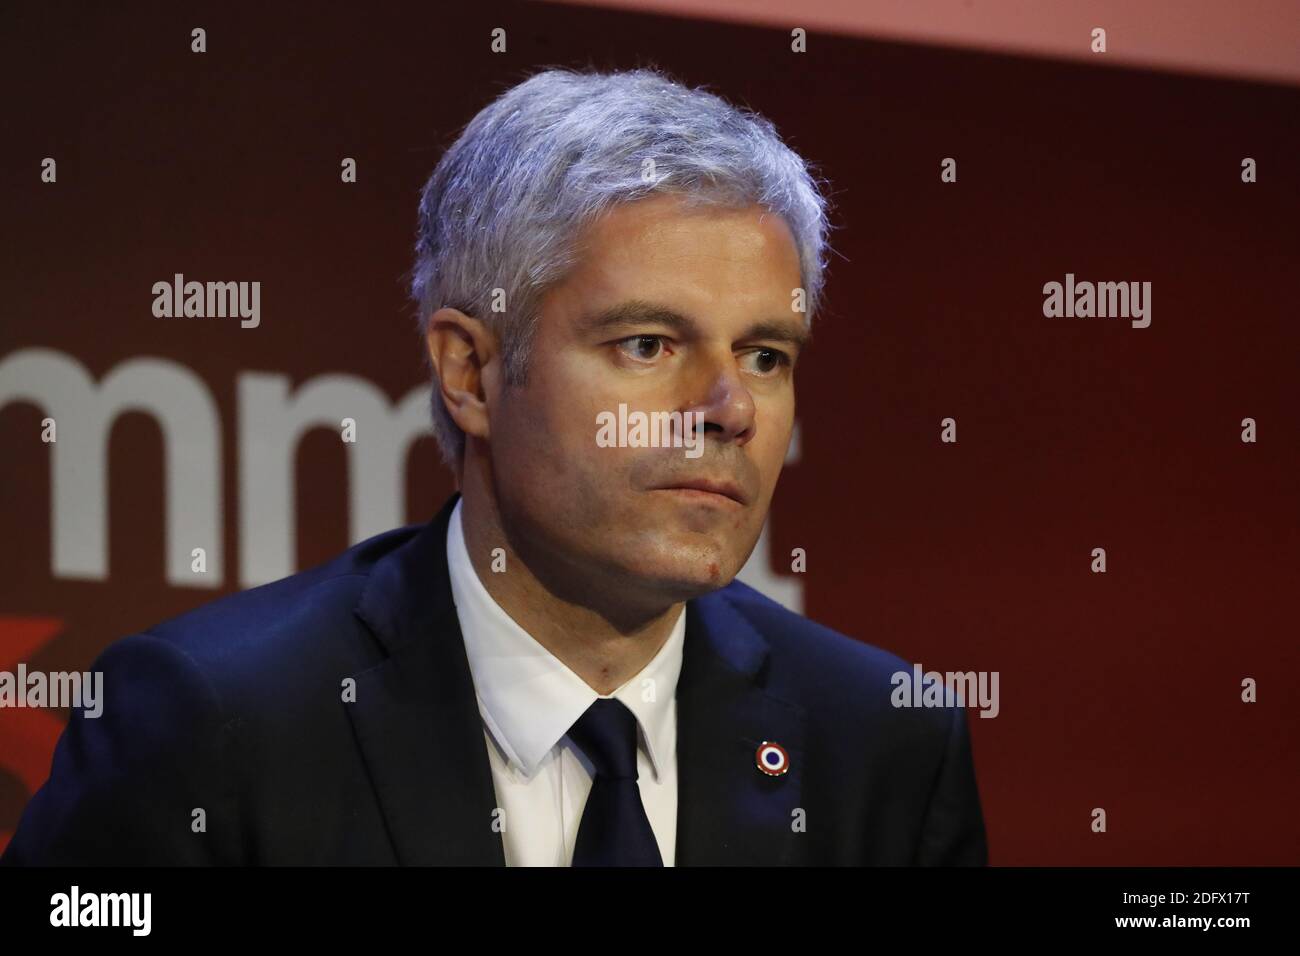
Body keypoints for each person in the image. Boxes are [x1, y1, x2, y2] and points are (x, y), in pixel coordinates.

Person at [2, 66, 987, 866]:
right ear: (470, 371)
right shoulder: (212, 722)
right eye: (648, 344)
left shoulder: (883, 746)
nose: (728, 409)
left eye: (764, 355)